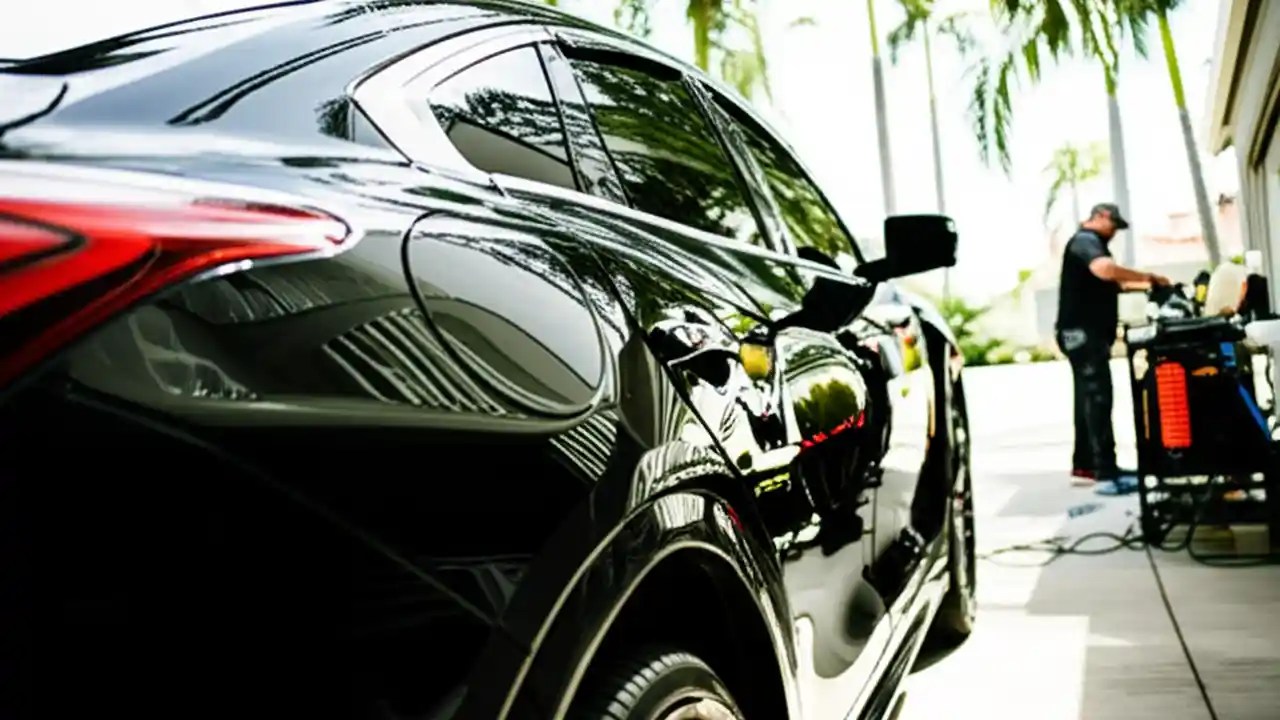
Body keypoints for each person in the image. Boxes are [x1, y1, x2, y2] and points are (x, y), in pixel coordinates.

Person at [1055, 203, 1171, 495]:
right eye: (1114, 226)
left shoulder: (1090, 244)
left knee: (1087, 402)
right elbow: (1105, 270)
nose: (1115, 233)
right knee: (1098, 399)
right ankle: (1106, 473)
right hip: (1082, 334)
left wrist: (1147, 284)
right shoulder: (1086, 241)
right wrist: (1144, 275)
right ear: (1100, 218)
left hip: (1081, 334)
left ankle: (1086, 467)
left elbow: (1110, 285)